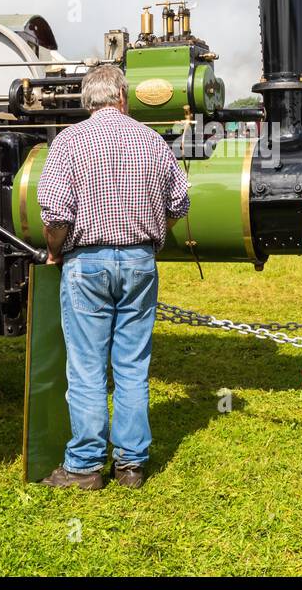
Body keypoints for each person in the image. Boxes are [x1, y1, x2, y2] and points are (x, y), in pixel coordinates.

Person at [36, 64, 190, 490]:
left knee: (86, 368)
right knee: (132, 365)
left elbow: (55, 214)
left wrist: (53, 251)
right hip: (140, 262)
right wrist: (150, 236)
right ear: (122, 97)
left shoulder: (67, 143)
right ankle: (131, 465)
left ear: (89, 101)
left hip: (85, 263)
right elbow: (179, 204)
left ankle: (85, 466)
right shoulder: (152, 141)